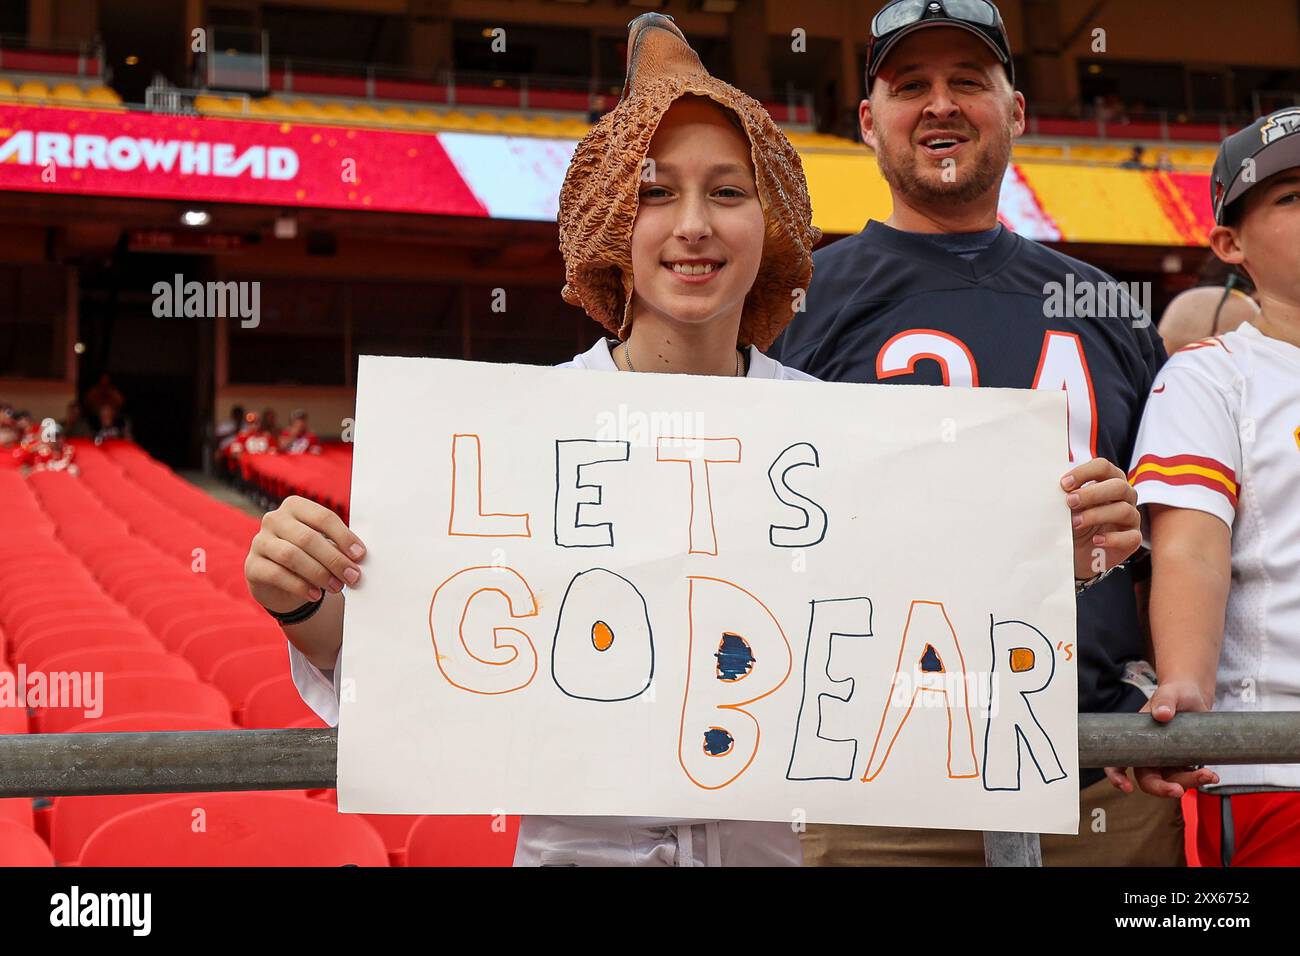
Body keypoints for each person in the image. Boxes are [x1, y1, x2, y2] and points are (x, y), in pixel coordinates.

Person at [247, 11, 821, 868]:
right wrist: (302, 601)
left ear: (769, 223)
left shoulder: (836, 437)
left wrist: (1053, 554)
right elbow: (407, 666)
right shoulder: (510, 433)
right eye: (655, 192)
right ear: (608, 227)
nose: (693, 224)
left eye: (729, 191)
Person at [771, 0, 1168, 865]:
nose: (942, 104)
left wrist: (1130, 546)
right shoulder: (797, 301)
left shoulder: (1107, 305)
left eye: (969, 83)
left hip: (1095, 778)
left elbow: (1171, 533)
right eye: (911, 85)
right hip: (878, 783)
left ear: (1016, 111)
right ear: (870, 124)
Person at [1106, 107, 1300, 866]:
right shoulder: (1211, 374)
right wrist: (1185, 682)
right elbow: (1190, 548)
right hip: (1274, 768)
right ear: (1230, 244)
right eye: (1291, 196)